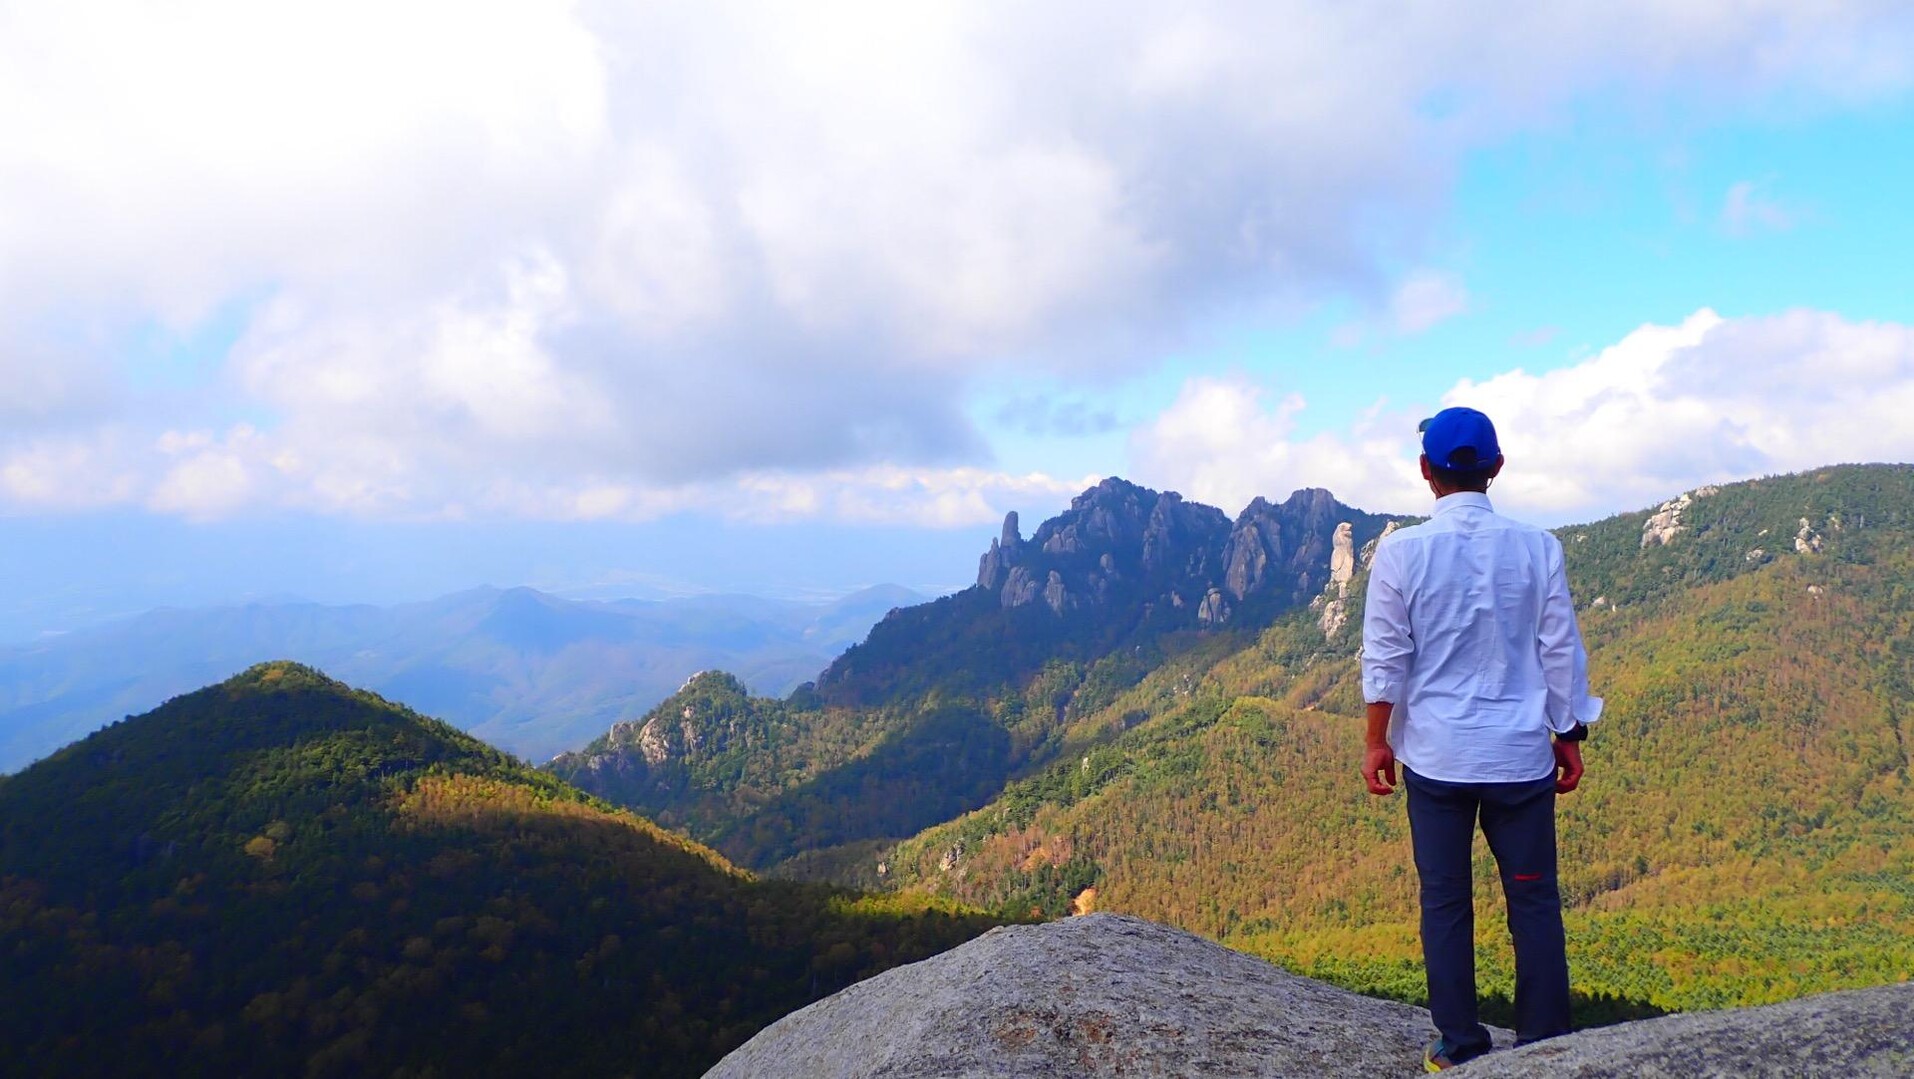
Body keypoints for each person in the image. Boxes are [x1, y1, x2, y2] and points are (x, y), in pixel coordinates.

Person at [1359, 406, 1602, 1071]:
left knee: (1445, 900)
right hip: (1519, 760)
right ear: (1496, 467)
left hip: (1435, 760)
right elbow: (1560, 653)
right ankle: (1545, 1044)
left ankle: (1461, 1044)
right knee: (1532, 898)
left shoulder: (1401, 551)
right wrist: (1568, 732)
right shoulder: (1537, 547)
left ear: (1424, 471)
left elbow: (1385, 658)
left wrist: (1377, 741)